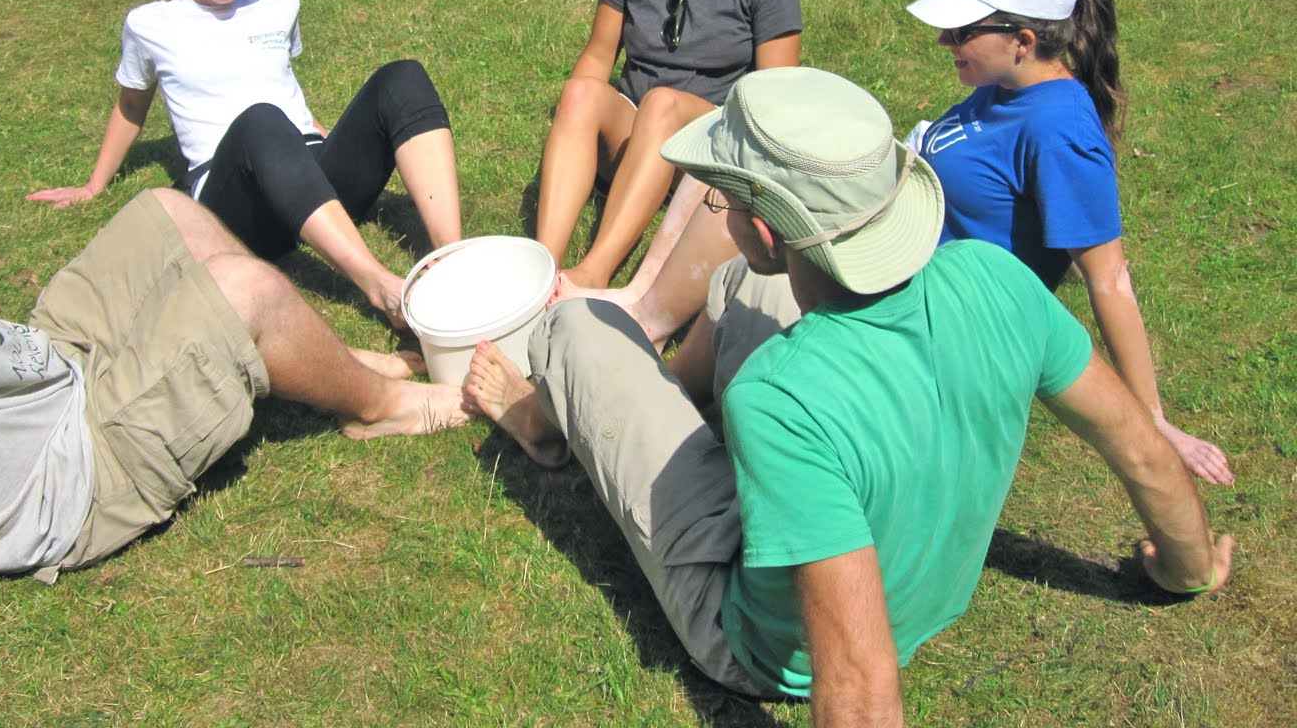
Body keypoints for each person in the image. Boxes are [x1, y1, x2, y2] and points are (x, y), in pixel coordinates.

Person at [0, 24, 468, 728]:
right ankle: (380, 404)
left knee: (167, 210)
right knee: (248, 293)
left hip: (47, 364)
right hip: (67, 478)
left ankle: (337, 363)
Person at [466, 67, 1232, 717]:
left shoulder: (781, 398)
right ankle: (662, 404)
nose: (720, 211)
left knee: (577, 325)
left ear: (769, 232)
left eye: (726, 200)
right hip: (927, 589)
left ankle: (545, 421)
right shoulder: (1001, 279)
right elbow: (1141, 447)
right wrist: (1186, 567)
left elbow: (860, 687)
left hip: (762, 649)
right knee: (735, 288)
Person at [29, 0, 461, 328]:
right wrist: (94, 185)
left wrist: (324, 131)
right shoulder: (150, 25)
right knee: (260, 121)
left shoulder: (279, 1)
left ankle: (452, 255)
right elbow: (131, 107)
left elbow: (278, 79)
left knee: (403, 77)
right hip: (239, 206)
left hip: (309, 175)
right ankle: (380, 287)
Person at [906, 0, 1233, 485]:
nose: (943, 39)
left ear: (1023, 41)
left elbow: (1108, 279)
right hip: (910, 291)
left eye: (962, 31)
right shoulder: (1003, 88)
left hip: (952, 336)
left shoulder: (1058, 131)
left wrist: (1152, 421)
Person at [533, 0, 800, 289]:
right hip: (635, 135)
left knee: (663, 101)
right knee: (579, 91)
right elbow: (598, 57)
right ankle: (540, 269)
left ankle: (594, 272)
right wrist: (577, 117)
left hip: (708, 156)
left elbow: (776, 99)